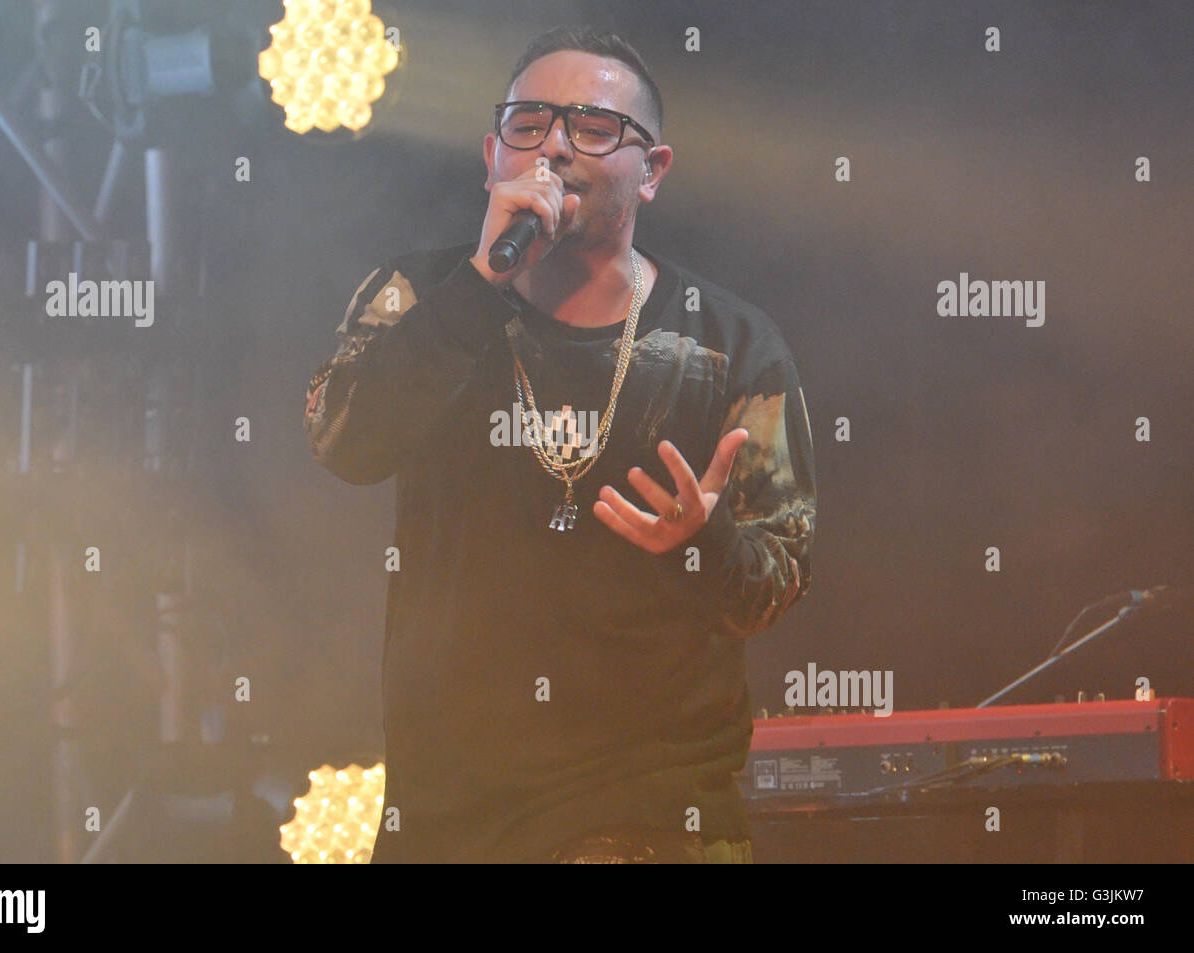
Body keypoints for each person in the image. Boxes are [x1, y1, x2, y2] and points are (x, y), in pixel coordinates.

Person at [303, 25, 816, 863]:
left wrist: (704, 542)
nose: (555, 147)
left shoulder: (727, 343)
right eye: (529, 123)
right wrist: (479, 285)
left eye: (593, 127)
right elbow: (345, 443)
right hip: (448, 814)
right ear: (491, 154)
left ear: (652, 171)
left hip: (652, 808)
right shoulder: (418, 295)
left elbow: (776, 582)